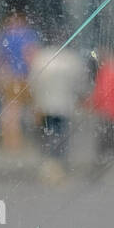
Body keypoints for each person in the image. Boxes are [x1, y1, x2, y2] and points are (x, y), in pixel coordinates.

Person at [27, 40, 89, 182]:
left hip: (45, 105)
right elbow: (80, 82)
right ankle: (59, 164)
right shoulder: (71, 60)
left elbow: (33, 82)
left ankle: (49, 165)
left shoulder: (41, 59)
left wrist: (35, 102)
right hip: (64, 105)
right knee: (61, 134)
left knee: (47, 135)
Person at [0, 8, 40, 152]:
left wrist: (0, 76)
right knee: (19, 110)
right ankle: (17, 141)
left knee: (12, 110)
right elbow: (32, 54)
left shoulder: (5, 36)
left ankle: (12, 142)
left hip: (13, 77)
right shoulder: (27, 35)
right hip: (23, 77)